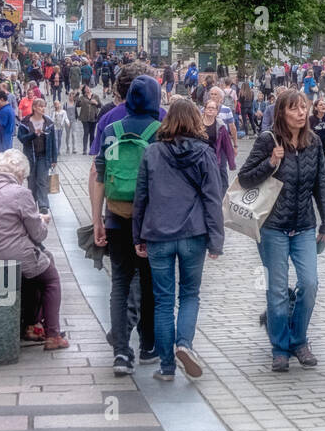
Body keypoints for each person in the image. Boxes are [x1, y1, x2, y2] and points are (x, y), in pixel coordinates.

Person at [239, 90, 325, 373]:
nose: (301, 113)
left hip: (304, 225)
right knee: (277, 290)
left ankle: (299, 340)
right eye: (294, 109)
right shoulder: (268, 140)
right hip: (273, 228)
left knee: (309, 284)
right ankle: (280, 348)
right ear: (281, 113)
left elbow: (321, 185)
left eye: (303, 108)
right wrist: (270, 163)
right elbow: (244, 179)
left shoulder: (313, 142)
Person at [132, 97, 225, 382]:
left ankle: (167, 367)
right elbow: (212, 197)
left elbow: (141, 198)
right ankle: (184, 344)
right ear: (195, 121)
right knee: (189, 294)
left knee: (162, 301)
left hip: (158, 234)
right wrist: (216, 239)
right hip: (192, 234)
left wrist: (138, 234)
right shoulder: (204, 153)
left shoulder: (152, 152)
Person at [92, 74, 163, 375]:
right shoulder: (161, 131)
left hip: (117, 216)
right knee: (149, 282)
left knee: (120, 283)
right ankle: (148, 345)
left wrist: (97, 218)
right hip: (151, 221)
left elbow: (98, 176)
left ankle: (121, 352)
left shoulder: (111, 130)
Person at [0, 148, 68, 350]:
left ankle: (31, 326)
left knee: (33, 272)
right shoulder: (20, 193)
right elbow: (38, 234)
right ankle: (53, 335)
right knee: (50, 278)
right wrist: (42, 220)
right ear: (20, 174)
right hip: (14, 257)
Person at [16, 97, 58, 215]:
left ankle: (43, 205)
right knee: (31, 180)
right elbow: (22, 139)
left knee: (42, 180)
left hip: (44, 156)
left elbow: (53, 142)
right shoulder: (25, 122)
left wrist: (54, 158)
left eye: (44, 106)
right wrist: (33, 135)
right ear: (34, 108)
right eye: (40, 106)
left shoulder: (49, 123)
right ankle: (31, 202)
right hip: (30, 156)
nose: (43, 108)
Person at [201, 100, 237, 189]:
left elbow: (227, 145)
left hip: (216, 156)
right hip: (201, 156)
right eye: (208, 108)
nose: (210, 110)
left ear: (216, 112)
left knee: (221, 181)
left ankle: (222, 198)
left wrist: (231, 163)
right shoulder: (197, 124)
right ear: (204, 110)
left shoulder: (221, 126)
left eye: (213, 108)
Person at [77, 85, 101, 152]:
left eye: (88, 88)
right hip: (85, 118)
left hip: (94, 118)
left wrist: (96, 103)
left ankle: (91, 149)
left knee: (92, 134)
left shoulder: (96, 96)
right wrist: (78, 92)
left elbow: (100, 105)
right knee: (86, 133)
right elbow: (77, 104)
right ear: (84, 90)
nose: (88, 89)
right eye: (86, 88)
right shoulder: (82, 97)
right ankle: (84, 149)